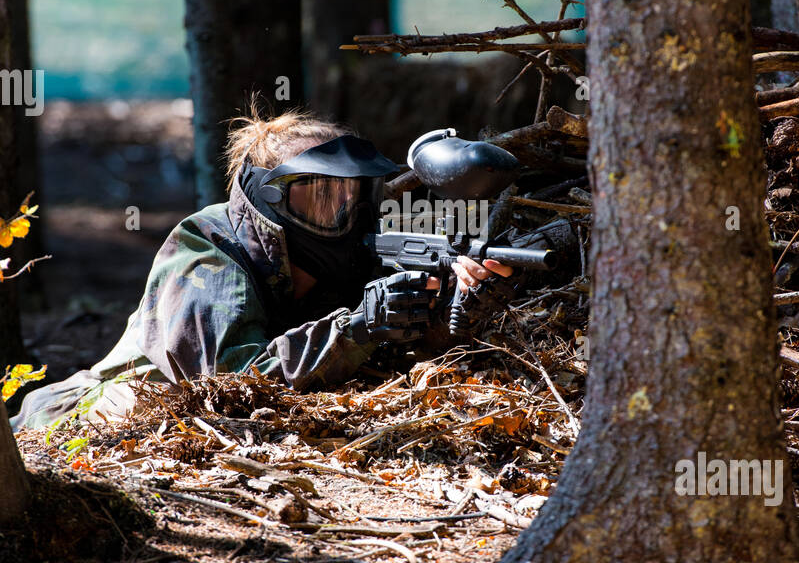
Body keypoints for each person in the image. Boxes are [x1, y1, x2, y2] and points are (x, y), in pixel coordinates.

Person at [11, 108, 512, 433]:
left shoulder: (353, 254)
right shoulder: (205, 252)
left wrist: (455, 305)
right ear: (269, 199)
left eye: (348, 196)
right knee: (130, 403)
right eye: (316, 198)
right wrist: (357, 327)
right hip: (80, 416)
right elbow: (229, 386)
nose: (337, 215)